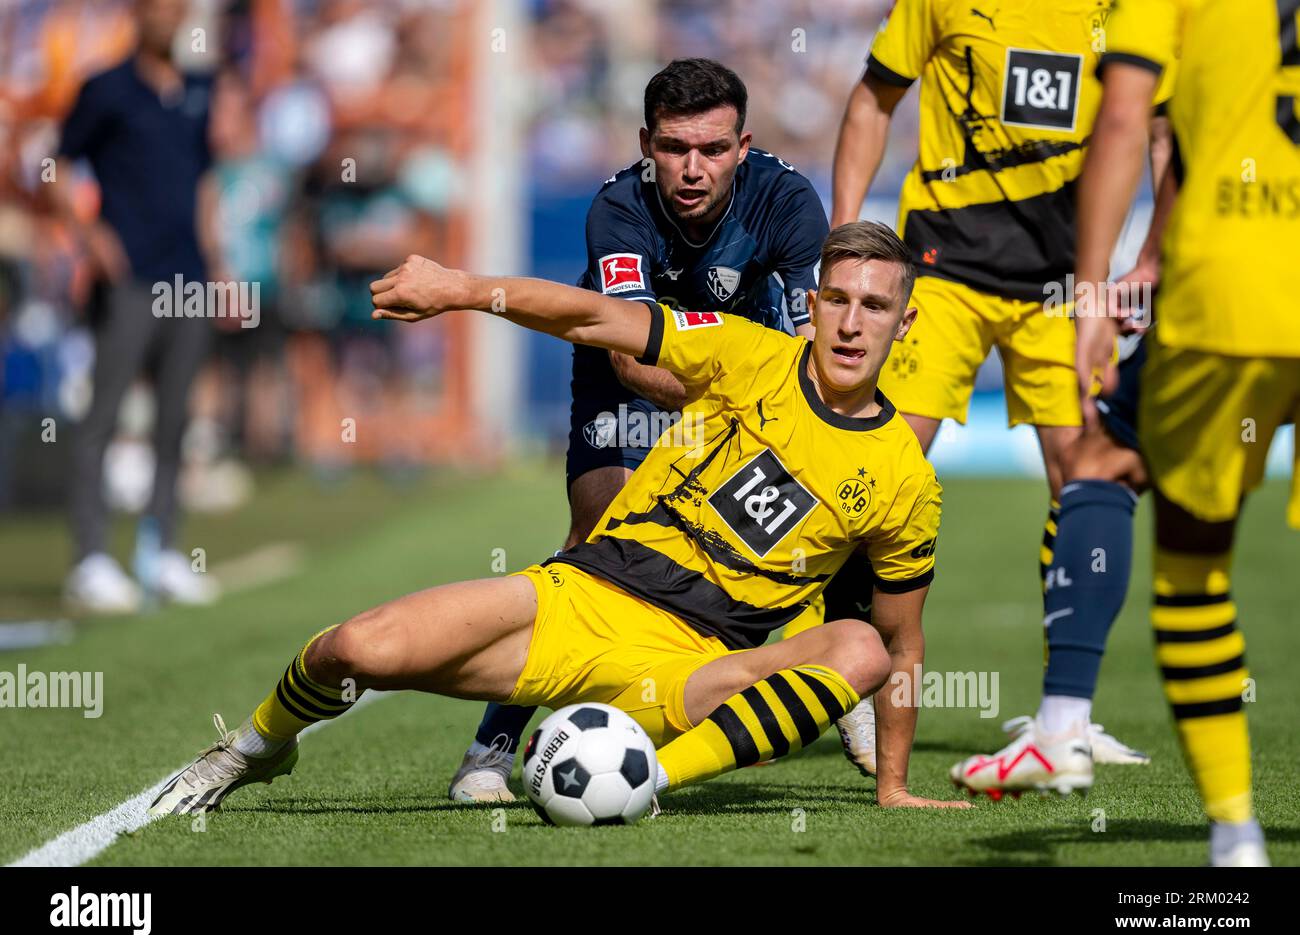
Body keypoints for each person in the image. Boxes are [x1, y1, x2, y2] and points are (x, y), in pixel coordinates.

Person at [148, 221, 971, 817]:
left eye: (874, 305)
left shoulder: (905, 477)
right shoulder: (746, 350)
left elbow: (901, 644)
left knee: (857, 643)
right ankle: (255, 750)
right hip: (581, 597)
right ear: (814, 305)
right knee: (353, 650)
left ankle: (646, 780)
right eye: (838, 299)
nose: (853, 322)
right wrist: (461, 290)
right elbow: (593, 318)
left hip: (696, 669)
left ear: (905, 323)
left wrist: (894, 786)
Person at [447, 58, 878, 802]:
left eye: (713, 150)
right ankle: (490, 751)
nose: (692, 168)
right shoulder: (617, 208)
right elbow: (627, 354)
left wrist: (768, 418)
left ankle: (841, 673)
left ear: (743, 147)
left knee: (818, 512)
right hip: (626, 378)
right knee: (594, 544)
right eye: (676, 148)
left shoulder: (788, 202)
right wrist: (703, 409)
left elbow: (815, 338)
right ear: (647, 143)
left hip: (744, 382)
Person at [829, 0, 1146, 768]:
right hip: (944, 267)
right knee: (879, 466)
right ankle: (845, 680)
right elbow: (874, 99)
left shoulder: (1124, 12)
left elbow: (1158, 132)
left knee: (1089, 480)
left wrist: (1150, 257)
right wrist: (846, 238)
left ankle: (1064, 715)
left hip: (1064, 284)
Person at [1065, 0, 1300, 867]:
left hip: (1227, 293)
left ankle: (1236, 836)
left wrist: (1092, 294)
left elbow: (1127, 114)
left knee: (1194, 566)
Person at [950, 109, 1178, 797]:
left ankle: (1062, 729)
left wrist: (1108, 281)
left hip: (1233, 277)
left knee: (1100, 465)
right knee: (1192, 505)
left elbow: (1131, 130)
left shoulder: (1176, 19)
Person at [55, 0, 221, 612]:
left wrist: (215, 260)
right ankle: (91, 559)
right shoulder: (105, 88)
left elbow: (203, 178)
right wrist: (92, 238)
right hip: (129, 281)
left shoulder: (201, 87)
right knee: (102, 416)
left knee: (175, 422)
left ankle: (163, 551)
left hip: (190, 278)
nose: (170, 16)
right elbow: (58, 166)